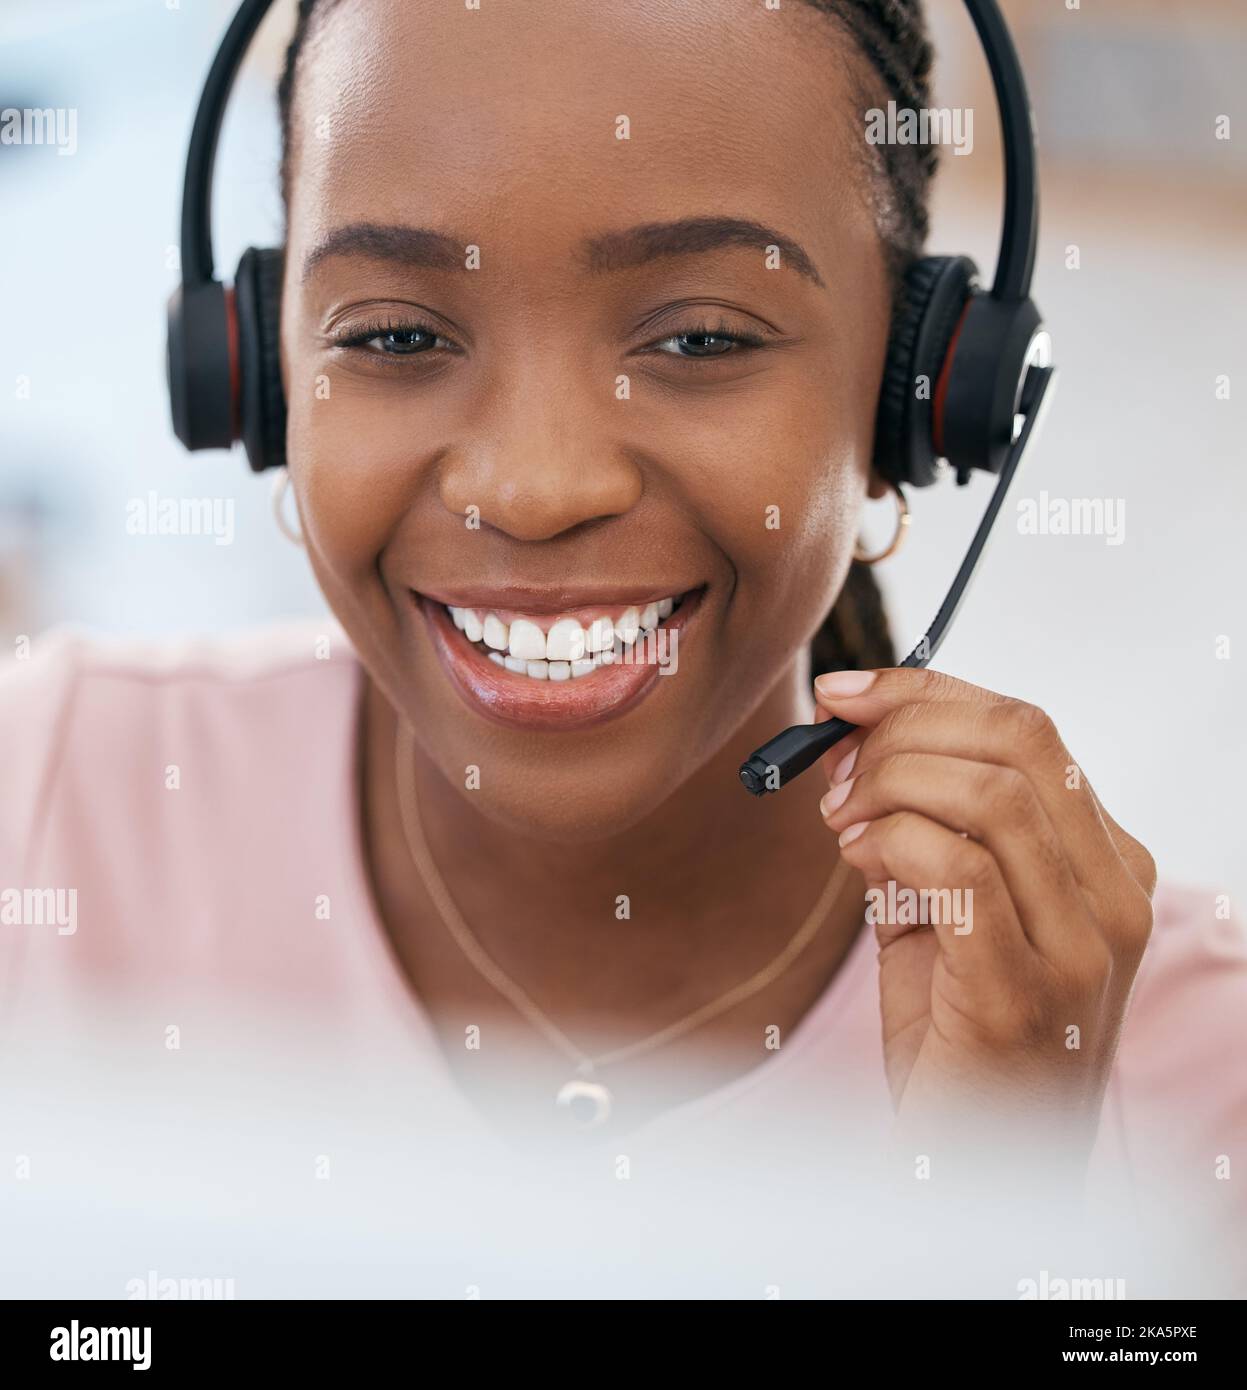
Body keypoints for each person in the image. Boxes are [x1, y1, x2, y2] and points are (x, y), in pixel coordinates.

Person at [2, 0, 1243, 1295]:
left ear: (919, 392)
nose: (536, 487)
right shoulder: (43, 810)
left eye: (699, 337)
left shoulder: (1193, 1083)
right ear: (257, 378)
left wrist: (1007, 1213)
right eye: (395, 335)